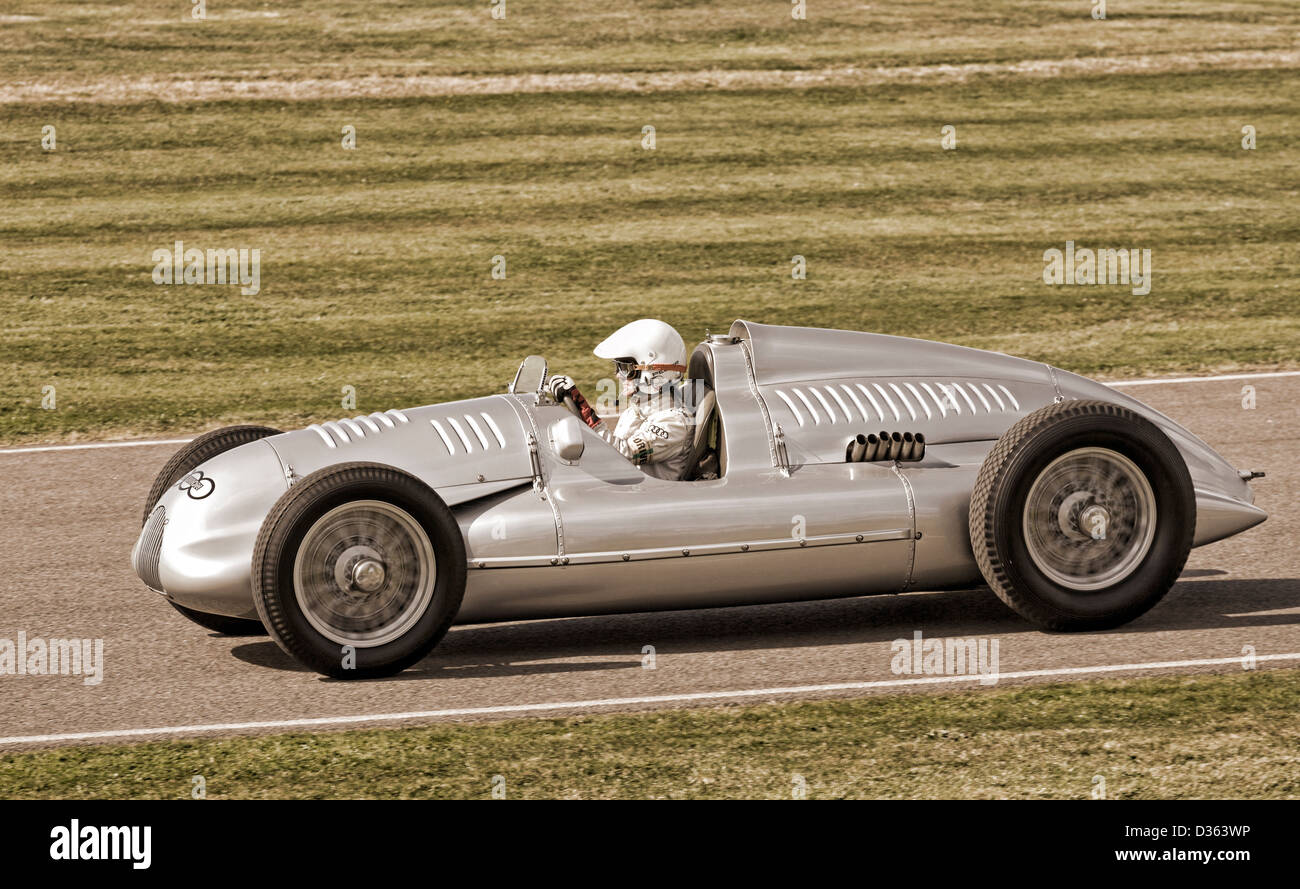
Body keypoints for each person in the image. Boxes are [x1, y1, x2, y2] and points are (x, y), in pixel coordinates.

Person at [548, 319, 695, 481]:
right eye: (618, 367)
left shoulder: (675, 423)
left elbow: (620, 454)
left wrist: (583, 409)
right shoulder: (634, 411)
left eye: (625, 368)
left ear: (655, 372)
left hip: (650, 499)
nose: (618, 375)